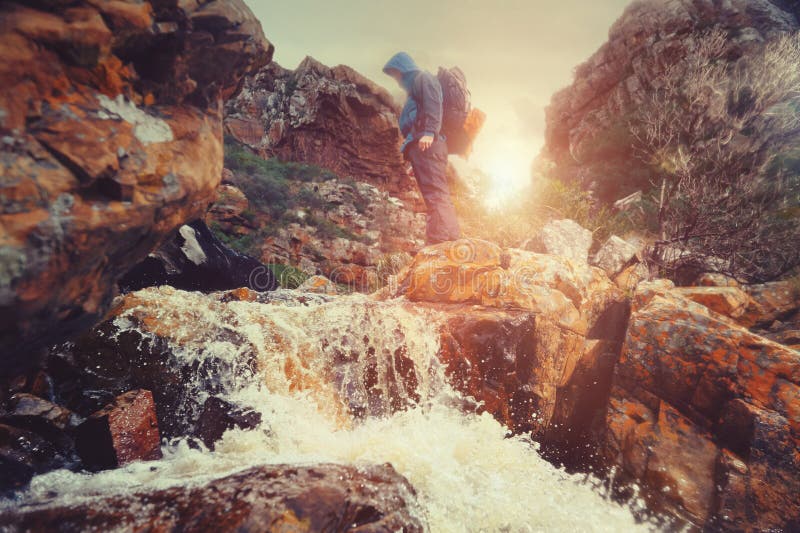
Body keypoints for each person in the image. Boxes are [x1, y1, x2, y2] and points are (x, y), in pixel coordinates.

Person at [383, 52, 461, 245]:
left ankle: (441, 239)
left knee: (436, 193)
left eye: (396, 73)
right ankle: (447, 237)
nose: (396, 79)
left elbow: (434, 103)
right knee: (433, 193)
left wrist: (429, 132)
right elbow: (414, 121)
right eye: (393, 75)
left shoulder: (423, 78)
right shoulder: (414, 88)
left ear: (404, 68)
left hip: (429, 145)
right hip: (423, 148)